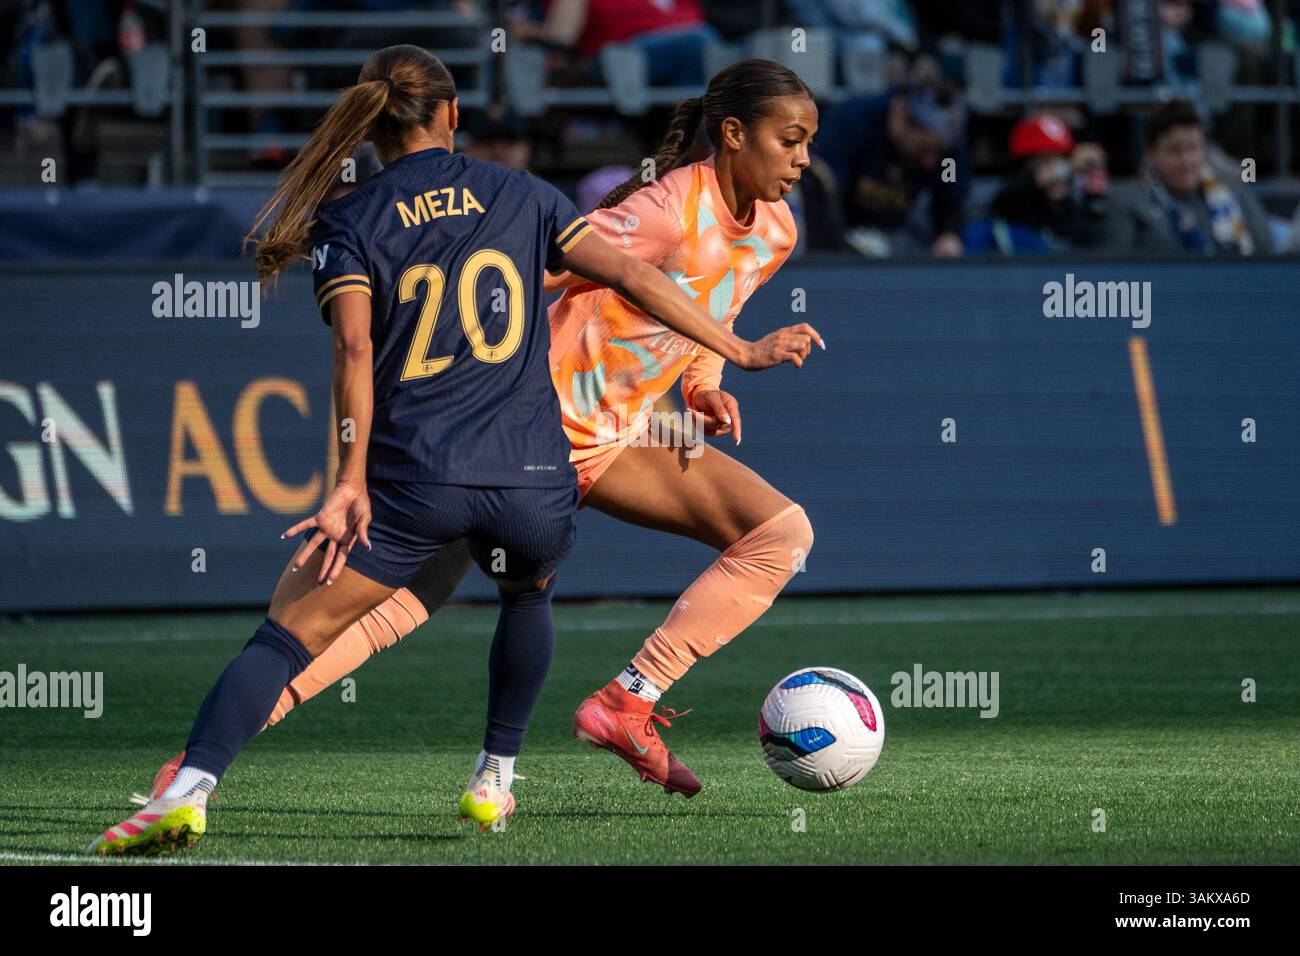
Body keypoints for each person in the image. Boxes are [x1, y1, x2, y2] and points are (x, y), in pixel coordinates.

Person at [88, 47, 817, 855]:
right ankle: (548, 742)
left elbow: (706, 296)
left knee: (378, 609)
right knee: (409, 606)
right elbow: (552, 271)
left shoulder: (775, 229)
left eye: (808, 141)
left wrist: (707, 376)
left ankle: (195, 771)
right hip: (540, 429)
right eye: (791, 140)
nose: (803, 159)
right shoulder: (659, 209)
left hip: (575, 434)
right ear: (732, 132)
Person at [812, 58, 969, 257]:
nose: (930, 162)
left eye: (937, 153)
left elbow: (952, 196)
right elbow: (824, 192)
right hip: (843, 234)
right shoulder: (849, 124)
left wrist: (950, 234)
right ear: (901, 115)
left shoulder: (946, 142)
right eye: (923, 149)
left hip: (898, 236)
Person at [1109, 100, 1272, 255]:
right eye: (1174, 151)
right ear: (1150, 154)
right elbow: (1117, 274)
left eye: (1193, 148)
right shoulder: (1127, 201)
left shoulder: (1236, 193)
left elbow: (1267, 259)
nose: (1186, 161)